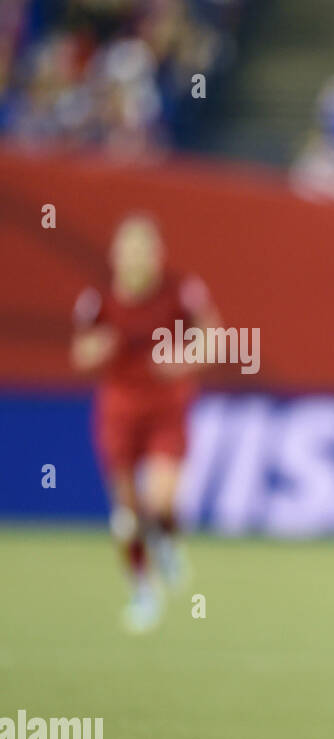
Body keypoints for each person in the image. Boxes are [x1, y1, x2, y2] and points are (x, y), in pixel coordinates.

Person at [71, 214, 220, 632]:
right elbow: (79, 353)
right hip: (119, 411)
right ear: (116, 254)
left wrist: (185, 360)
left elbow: (213, 335)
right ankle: (142, 589)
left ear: (157, 254)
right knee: (127, 512)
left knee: (161, 501)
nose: (136, 258)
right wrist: (97, 350)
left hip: (166, 409)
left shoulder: (180, 292)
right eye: (129, 248)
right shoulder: (98, 301)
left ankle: (168, 541)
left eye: (144, 249)